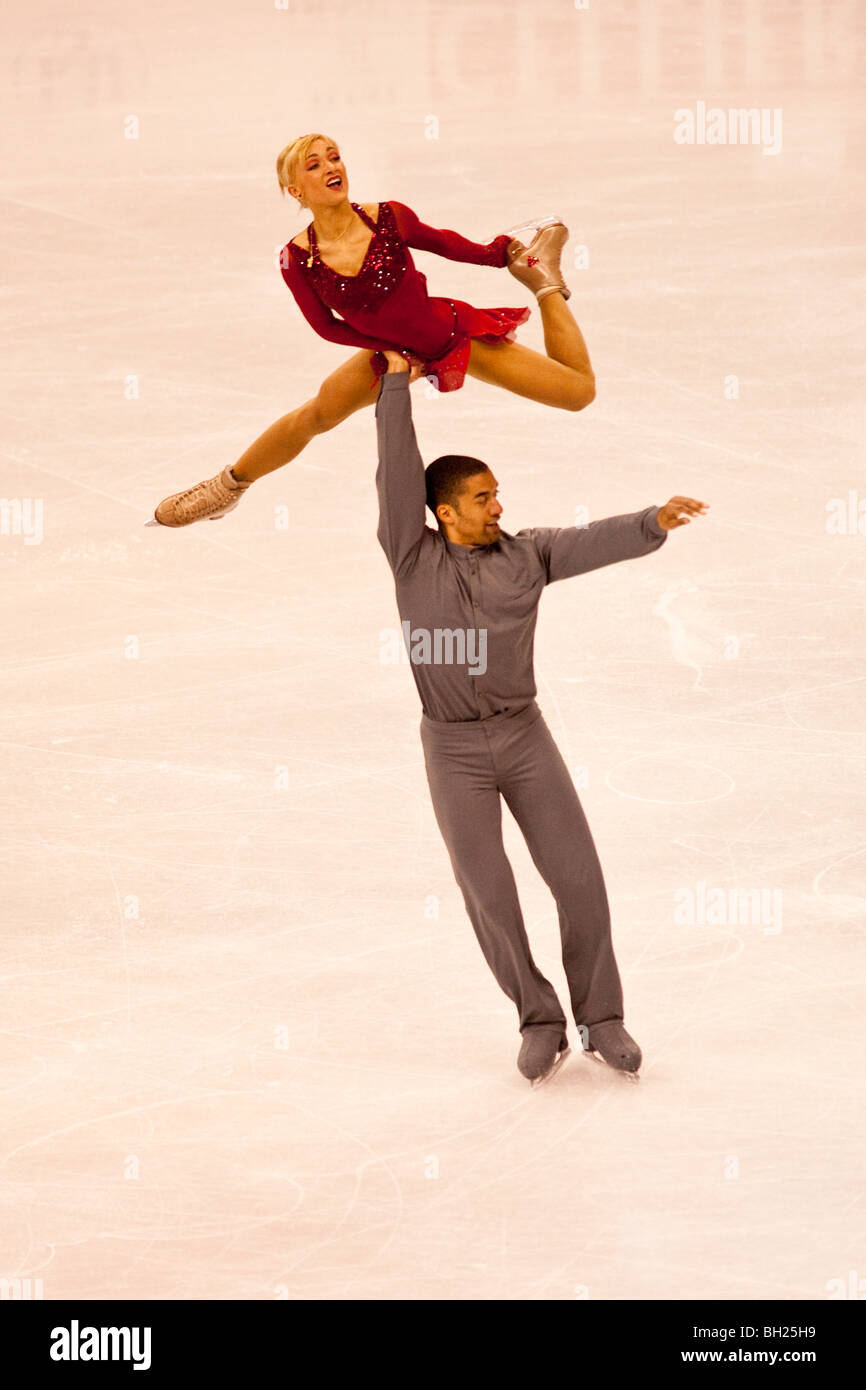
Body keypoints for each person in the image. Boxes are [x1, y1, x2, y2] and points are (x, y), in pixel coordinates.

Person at [374, 349, 708, 1087]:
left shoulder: (528, 557)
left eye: (498, 494)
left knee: (578, 877)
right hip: (453, 750)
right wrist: (395, 383)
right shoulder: (410, 557)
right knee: (488, 893)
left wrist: (652, 521)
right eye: (485, 497)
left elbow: (591, 542)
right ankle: (539, 1018)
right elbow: (396, 472)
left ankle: (603, 1017)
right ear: (445, 511)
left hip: (525, 739)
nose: (499, 507)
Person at [150, 132, 596, 526]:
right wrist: (391, 350)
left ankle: (544, 280)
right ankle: (225, 489)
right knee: (319, 413)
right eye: (315, 164)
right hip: (393, 350)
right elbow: (326, 327)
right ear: (295, 190)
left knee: (577, 393)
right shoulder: (296, 258)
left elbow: (445, 243)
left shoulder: (389, 218)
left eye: (335, 157)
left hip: (450, 334)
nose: (331, 167)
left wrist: (499, 255)